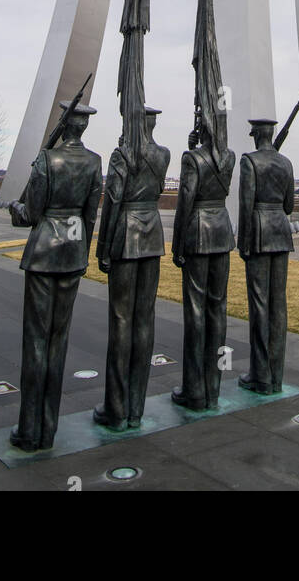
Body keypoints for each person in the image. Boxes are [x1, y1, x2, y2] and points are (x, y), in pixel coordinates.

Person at [9, 99, 102, 452]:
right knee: (58, 340)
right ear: (84, 126)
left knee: (36, 339)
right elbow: (90, 216)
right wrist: (83, 253)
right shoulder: (94, 162)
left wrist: (16, 208)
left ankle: (28, 429)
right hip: (72, 254)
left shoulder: (47, 160)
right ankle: (48, 427)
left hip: (44, 252)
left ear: (64, 124)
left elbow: (31, 214)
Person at [94, 104, 169, 430]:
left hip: (126, 237)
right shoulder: (163, 155)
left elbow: (112, 201)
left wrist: (103, 248)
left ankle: (116, 408)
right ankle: (136, 408)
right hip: (152, 238)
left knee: (121, 320)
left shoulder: (122, 155)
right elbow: (158, 190)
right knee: (144, 319)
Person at [171, 112, 235, 410]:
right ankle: (213, 388)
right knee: (217, 308)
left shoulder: (192, 159)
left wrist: (177, 245)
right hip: (222, 233)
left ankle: (193, 389)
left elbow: (186, 201)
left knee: (195, 310)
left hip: (198, 235)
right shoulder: (230, 157)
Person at [236, 116, 294, 395]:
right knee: (278, 306)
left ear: (256, 135)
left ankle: (260, 376)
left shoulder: (249, 162)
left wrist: (243, 243)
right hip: (281, 234)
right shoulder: (286, 163)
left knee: (259, 305)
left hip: (259, 235)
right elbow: (289, 205)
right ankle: (276, 376)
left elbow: (246, 205)